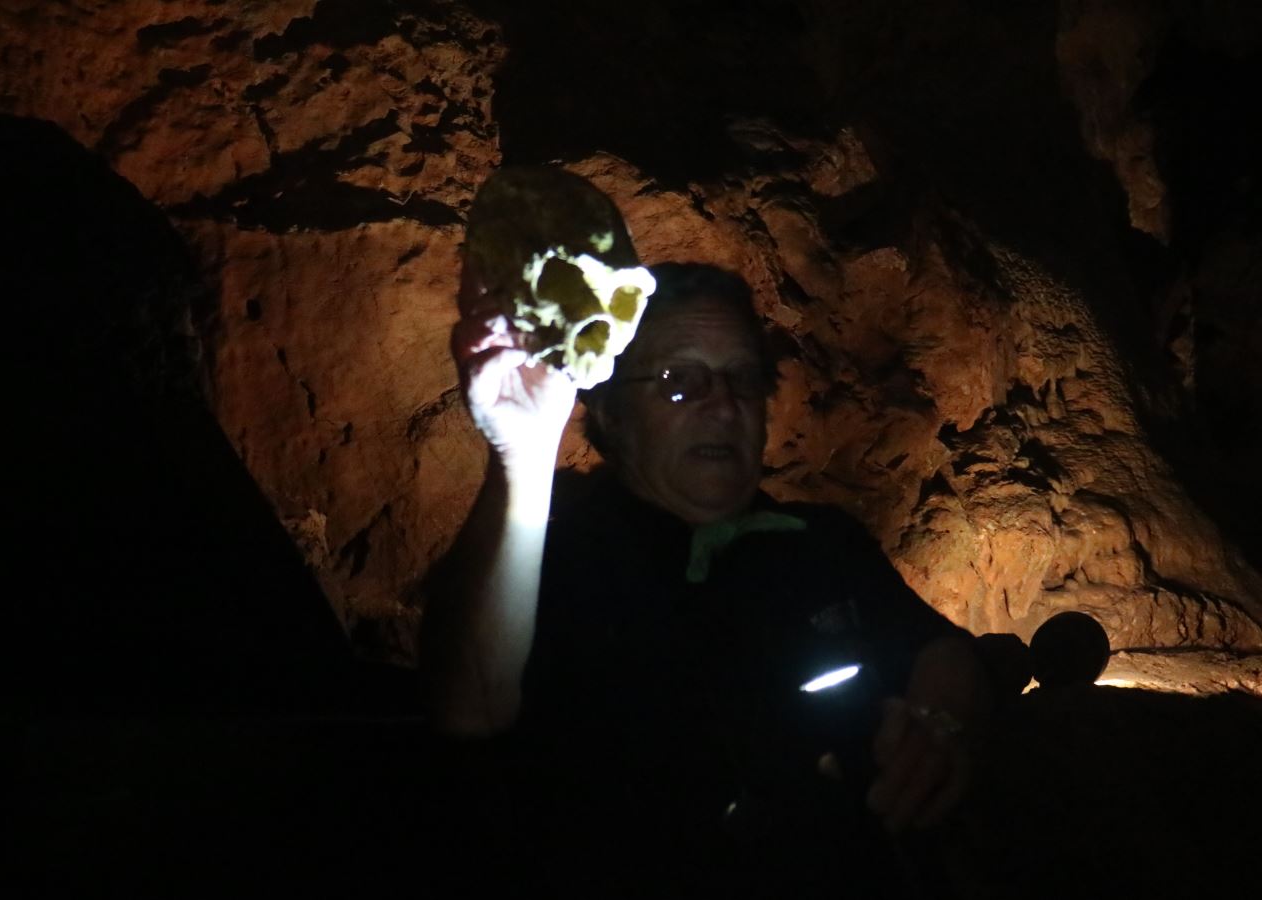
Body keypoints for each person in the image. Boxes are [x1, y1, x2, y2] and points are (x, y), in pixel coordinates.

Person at [420, 261, 991, 897]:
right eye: (678, 381)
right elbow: (466, 706)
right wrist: (517, 459)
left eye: (743, 381)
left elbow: (938, 646)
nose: (723, 406)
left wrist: (940, 723)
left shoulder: (823, 544)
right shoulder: (540, 553)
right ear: (608, 411)